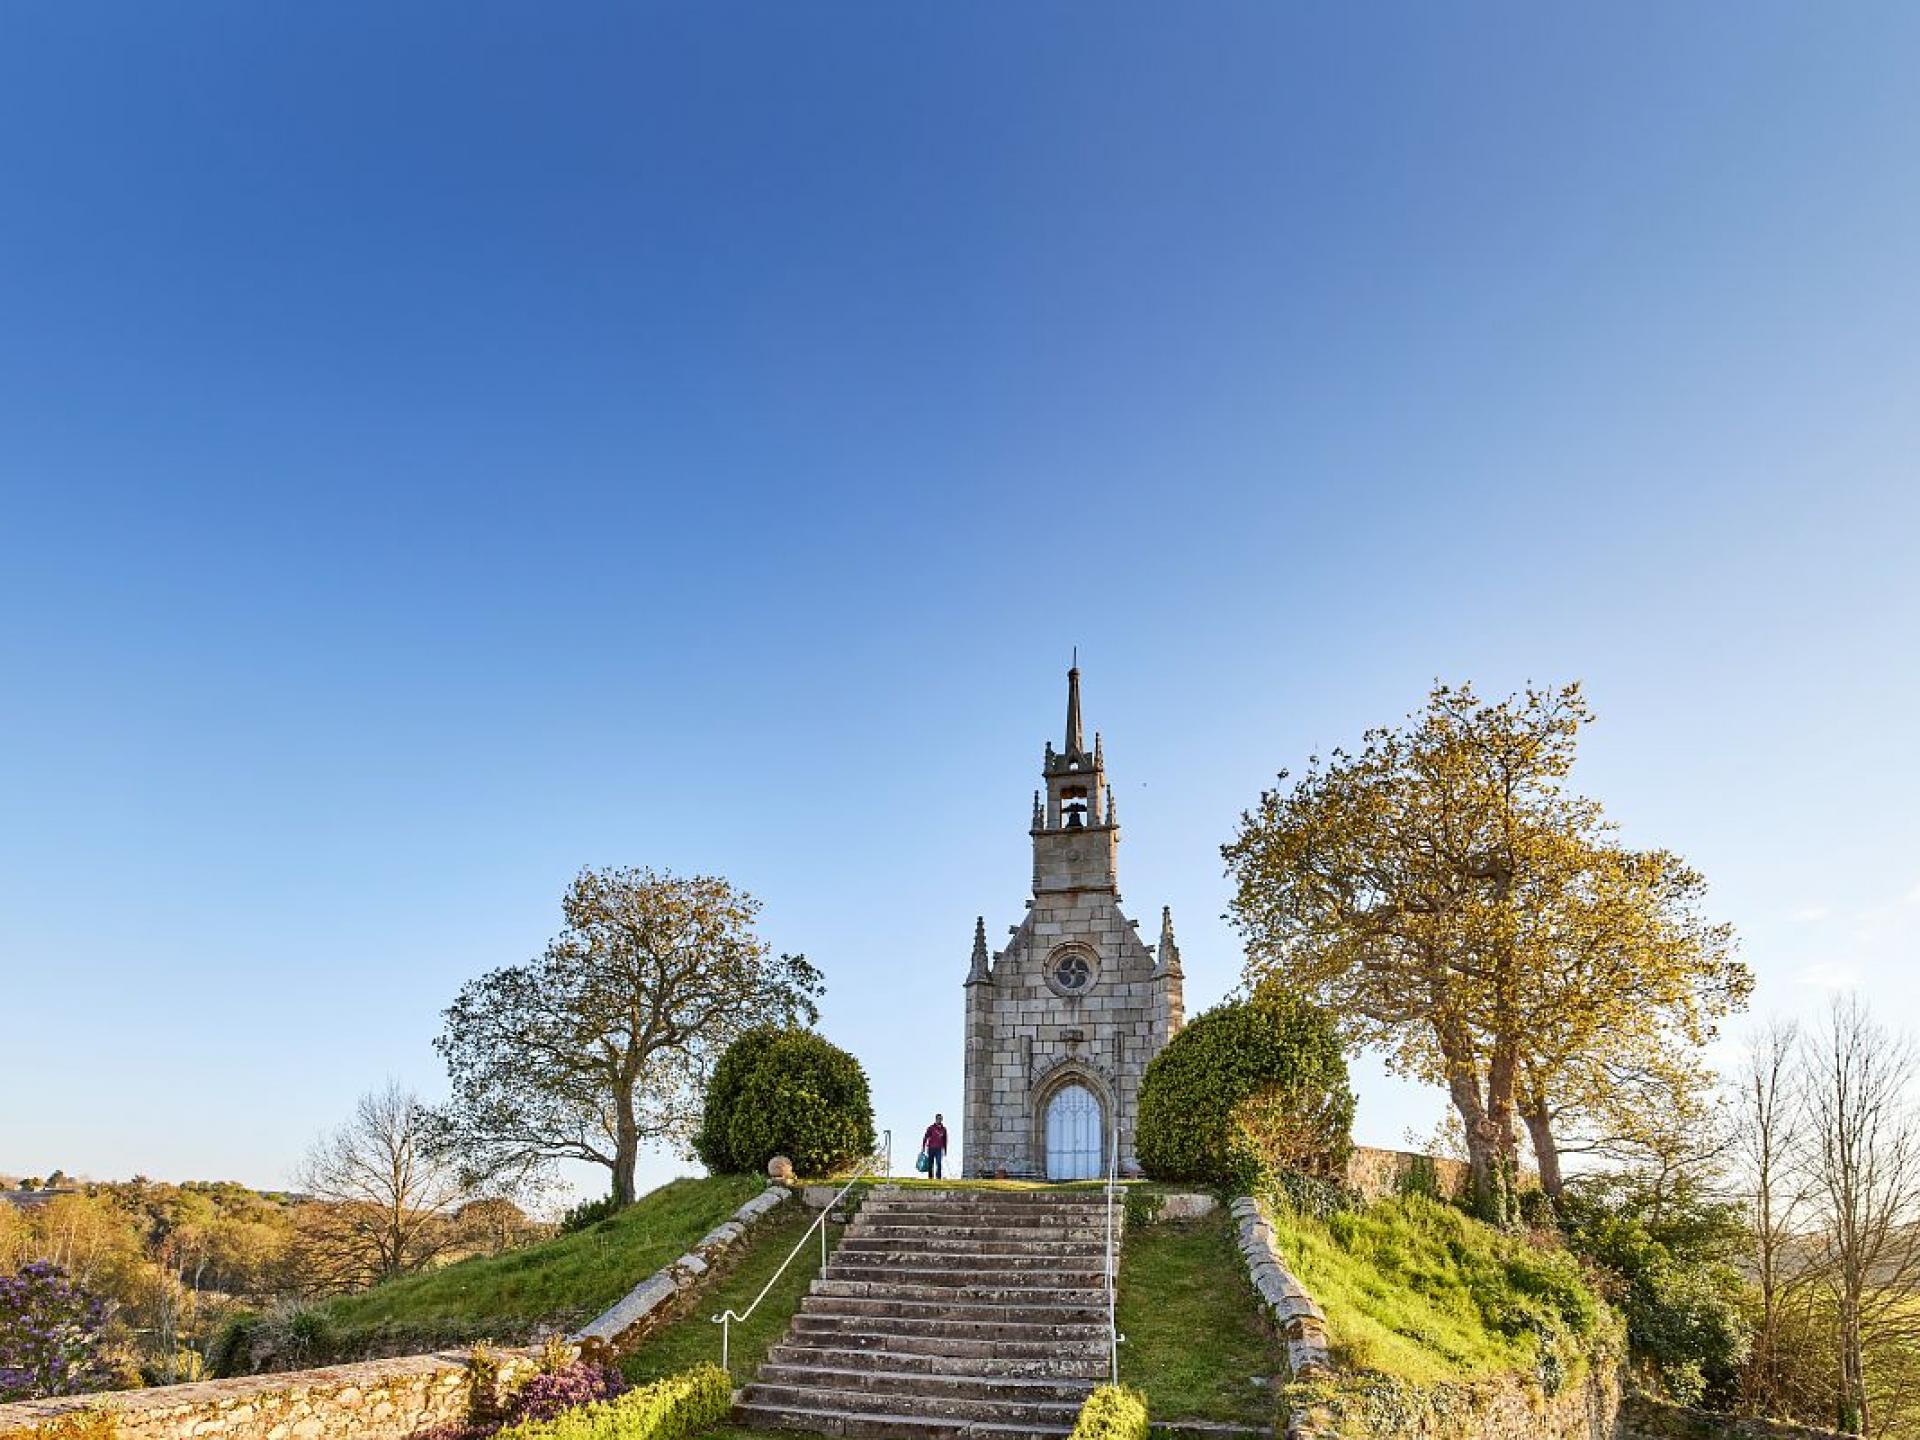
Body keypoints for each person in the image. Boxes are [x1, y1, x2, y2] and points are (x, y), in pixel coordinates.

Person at [922, 1114, 948, 1180]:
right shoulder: (931, 1128)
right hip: (931, 1148)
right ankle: (930, 1178)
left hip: (939, 1149)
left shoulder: (944, 1129)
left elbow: (945, 1140)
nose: (939, 1120)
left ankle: (938, 1178)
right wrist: (923, 1147)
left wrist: (945, 1150)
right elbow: (925, 1137)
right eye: (938, 1118)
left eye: (940, 1119)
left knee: (939, 1163)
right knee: (930, 1164)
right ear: (936, 1119)